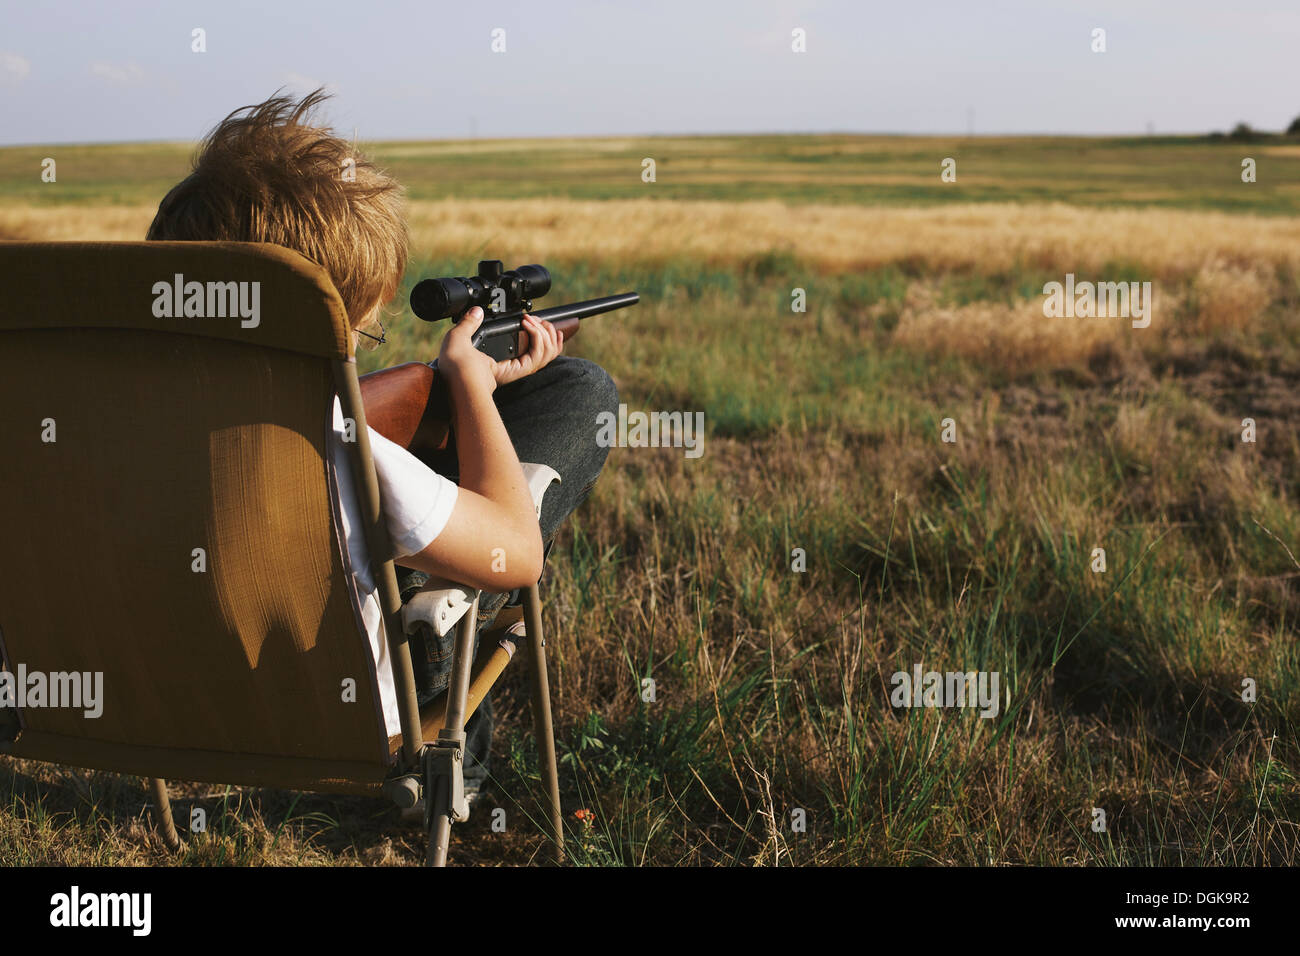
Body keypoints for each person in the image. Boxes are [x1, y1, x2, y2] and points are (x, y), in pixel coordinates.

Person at [145, 88, 617, 799]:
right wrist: (468, 383)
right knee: (580, 392)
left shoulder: (102, 432)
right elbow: (515, 553)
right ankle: (437, 722)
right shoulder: (342, 453)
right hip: (348, 718)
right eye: (360, 335)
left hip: (163, 711)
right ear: (322, 325)